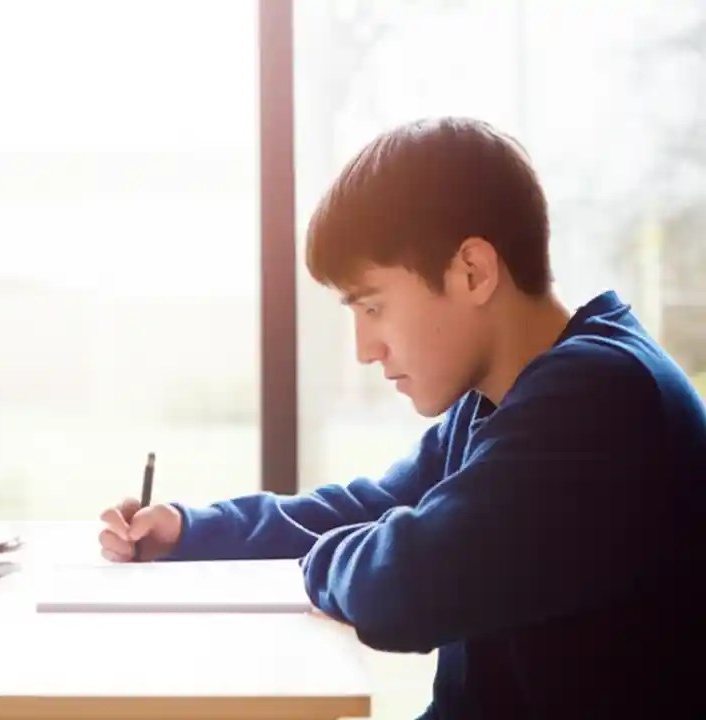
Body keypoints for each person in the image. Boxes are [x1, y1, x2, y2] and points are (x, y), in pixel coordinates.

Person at [98, 117, 704, 719]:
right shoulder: (503, 398)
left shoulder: (601, 397)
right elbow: (371, 508)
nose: (365, 347)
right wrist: (191, 530)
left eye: (373, 306)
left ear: (473, 271)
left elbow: (403, 586)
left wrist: (323, 562)